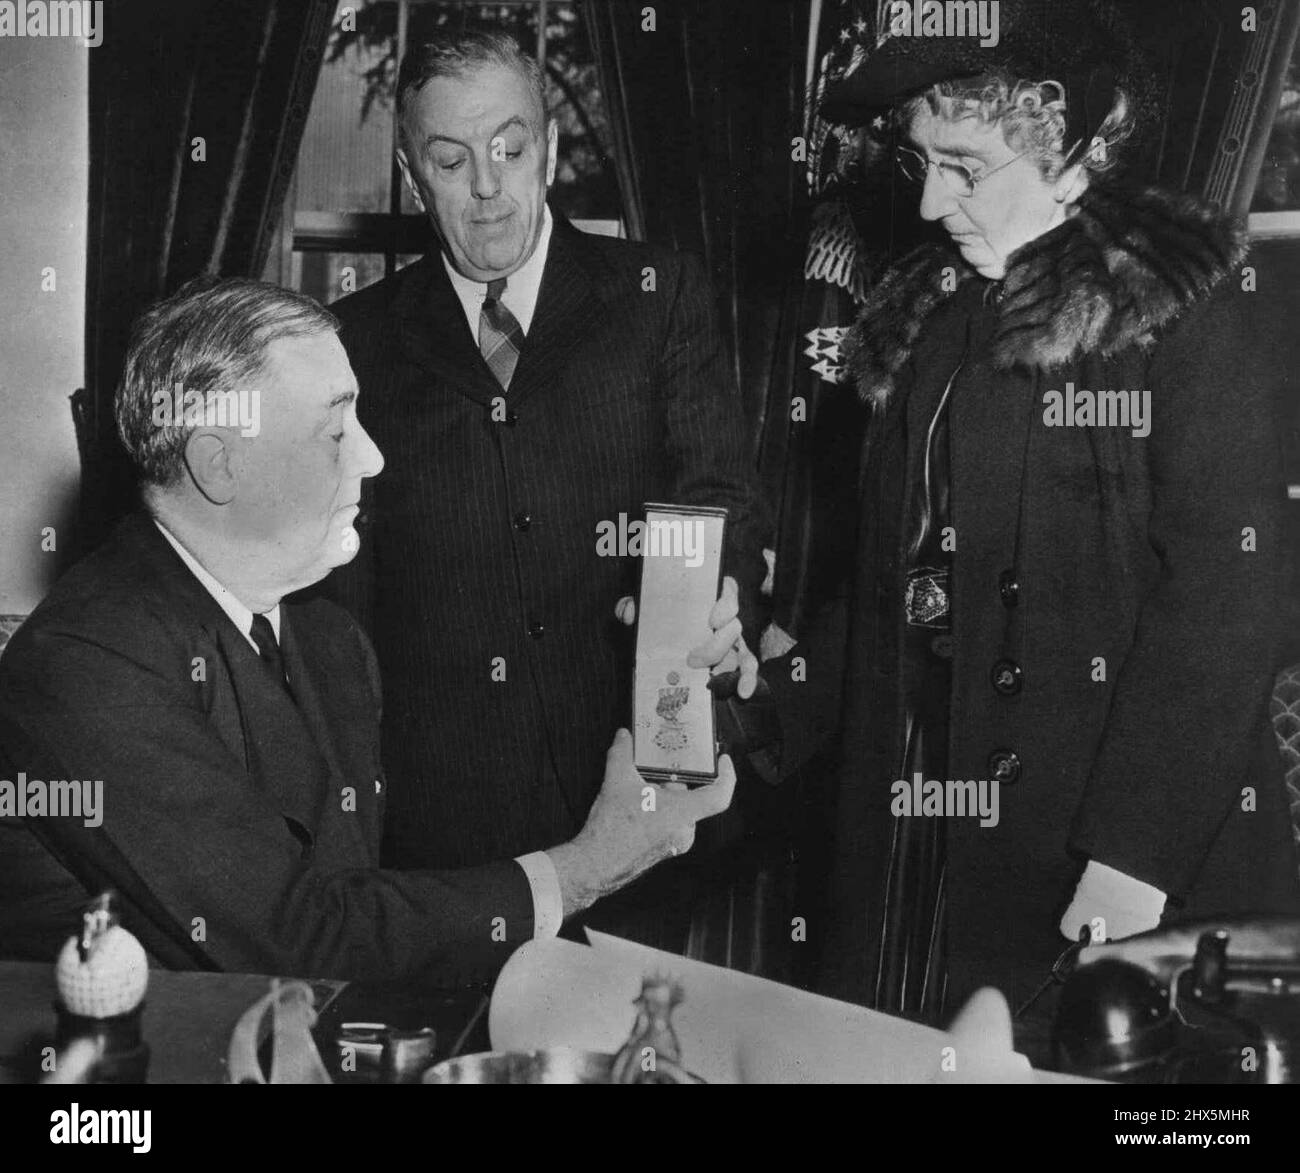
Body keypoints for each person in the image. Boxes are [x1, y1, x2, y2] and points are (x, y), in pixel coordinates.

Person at [763, 0, 1300, 1045]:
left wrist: (1133, 856)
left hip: (1114, 854)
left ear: (1070, 153)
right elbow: (887, 587)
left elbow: (1223, 604)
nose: (927, 206)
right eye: (922, 163)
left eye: (963, 167)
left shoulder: (1176, 312)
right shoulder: (926, 315)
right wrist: (756, 713)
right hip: (920, 841)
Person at [0, 277, 735, 981]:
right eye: (334, 429)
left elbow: (404, 887)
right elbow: (294, 937)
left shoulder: (330, 641)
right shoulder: (82, 662)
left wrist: (672, 666)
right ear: (219, 464)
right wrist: (584, 869)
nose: (372, 456)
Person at [327, 29, 765, 919]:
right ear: (414, 179)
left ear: (551, 150)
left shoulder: (659, 296)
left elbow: (721, 501)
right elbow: (342, 614)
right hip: (442, 840)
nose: (487, 187)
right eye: (452, 161)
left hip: (638, 791)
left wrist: (722, 612)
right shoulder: (352, 342)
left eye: (510, 149)